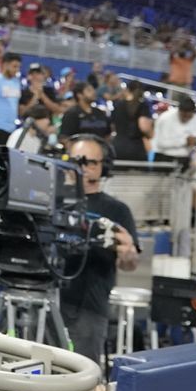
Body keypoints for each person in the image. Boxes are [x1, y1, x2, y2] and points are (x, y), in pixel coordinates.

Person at [60, 136, 140, 365]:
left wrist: (128, 254)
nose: (82, 168)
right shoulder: (51, 202)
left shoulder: (117, 210)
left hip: (89, 309)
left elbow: (129, 264)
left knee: (81, 374)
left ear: (103, 167)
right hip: (47, 302)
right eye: (77, 161)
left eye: (90, 162)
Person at [152, 99, 196, 166]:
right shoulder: (165, 118)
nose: (186, 118)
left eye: (189, 116)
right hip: (164, 157)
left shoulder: (195, 117)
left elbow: (193, 139)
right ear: (179, 111)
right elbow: (161, 143)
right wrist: (185, 141)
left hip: (184, 158)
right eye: (184, 116)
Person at [111, 81, 153, 162]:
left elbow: (112, 126)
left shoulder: (118, 105)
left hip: (118, 147)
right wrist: (152, 135)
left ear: (127, 90)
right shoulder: (143, 106)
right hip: (136, 148)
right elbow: (144, 126)